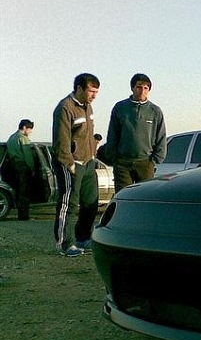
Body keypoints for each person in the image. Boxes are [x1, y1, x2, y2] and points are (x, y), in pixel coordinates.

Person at [52, 73, 101, 257]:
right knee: (69, 204)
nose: (94, 96)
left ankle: (83, 238)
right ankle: (65, 244)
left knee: (91, 203)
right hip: (71, 164)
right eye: (91, 91)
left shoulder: (88, 107)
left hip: (88, 163)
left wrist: (93, 154)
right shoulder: (65, 107)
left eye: (96, 92)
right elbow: (61, 142)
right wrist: (70, 165)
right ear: (79, 88)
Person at [104, 73, 167, 193]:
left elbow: (161, 136)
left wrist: (154, 161)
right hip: (122, 163)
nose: (142, 91)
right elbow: (112, 134)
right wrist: (114, 158)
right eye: (139, 87)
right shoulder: (120, 108)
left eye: (146, 88)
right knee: (123, 195)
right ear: (132, 88)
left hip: (145, 163)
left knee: (144, 196)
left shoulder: (155, 111)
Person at [6, 119, 35, 220]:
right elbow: (28, 156)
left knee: (18, 191)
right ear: (24, 128)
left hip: (13, 166)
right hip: (23, 167)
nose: (31, 132)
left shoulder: (11, 138)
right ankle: (23, 216)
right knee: (24, 192)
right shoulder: (23, 139)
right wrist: (32, 167)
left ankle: (20, 214)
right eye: (30, 129)